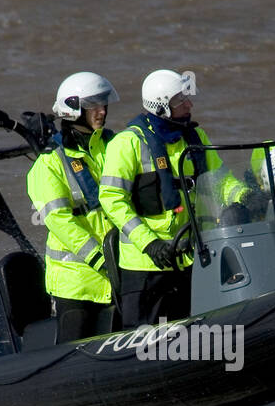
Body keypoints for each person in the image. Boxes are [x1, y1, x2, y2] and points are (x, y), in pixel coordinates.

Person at [99, 69, 247, 326]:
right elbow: (112, 199)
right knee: (143, 345)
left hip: (190, 259)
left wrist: (244, 195)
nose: (189, 104)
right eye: (180, 101)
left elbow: (220, 178)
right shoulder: (126, 144)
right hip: (146, 266)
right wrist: (149, 244)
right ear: (162, 108)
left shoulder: (195, 137)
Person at [25, 72, 119, 341]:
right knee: (73, 354)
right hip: (77, 284)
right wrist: (99, 259)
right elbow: (60, 221)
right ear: (74, 109)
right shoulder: (49, 164)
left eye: (104, 104)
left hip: (117, 274)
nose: (102, 111)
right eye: (93, 106)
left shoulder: (113, 146)